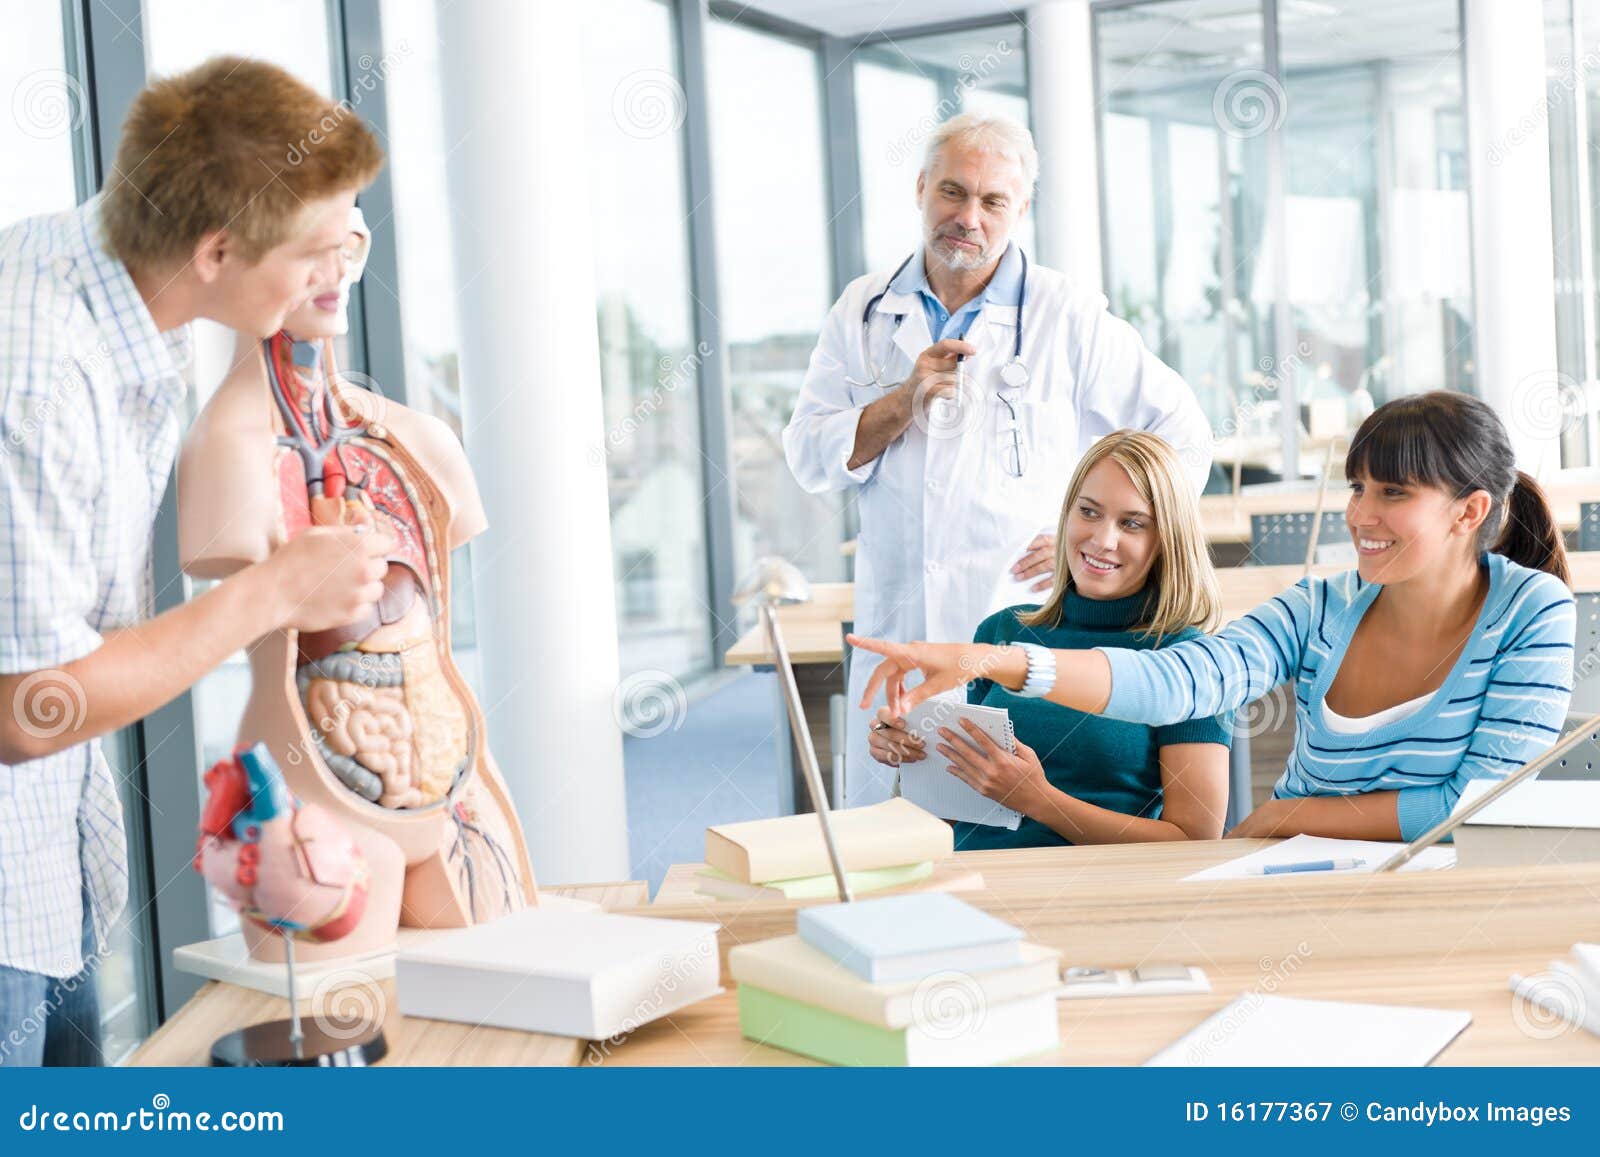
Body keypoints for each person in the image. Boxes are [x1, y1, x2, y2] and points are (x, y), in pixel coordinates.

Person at [0, 57, 392, 1067]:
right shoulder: (34, 372)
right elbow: (25, 705)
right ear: (216, 249)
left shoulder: (127, 297)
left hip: (48, 864)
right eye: (315, 251)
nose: (332, 275)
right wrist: (273, 590)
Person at [849, 392, 1576, 843]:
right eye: (1358, 487)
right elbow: (1179, 682)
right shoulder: (1318, 607)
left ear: (1469, 511)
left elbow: (1478, 805)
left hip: (1435, 883)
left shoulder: (1530, 609)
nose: (1361, 514)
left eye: (1392, 493)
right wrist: (993, 659)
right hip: (1298, 876)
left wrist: (1288, 815)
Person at [782, 111, 1212, 808]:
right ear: (921, 187)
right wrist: (901, 404)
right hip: (901, 628)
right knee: (902, 851)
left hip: (1018, 627)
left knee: (1016, 830)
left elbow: (1184, 434)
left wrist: (1094, 542)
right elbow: (807, 455)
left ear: (1021, 210)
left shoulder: (1065, 314)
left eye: (993, 201)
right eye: (953, 192)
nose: (969, 217)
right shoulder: (863, 310)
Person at [867, 431, 1232, 849]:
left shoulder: (1191, 661)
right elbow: (961, 810)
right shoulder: (1001, 633)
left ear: (1166, 539)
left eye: (1132, 523)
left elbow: (1195, 839)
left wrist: (1041, 801)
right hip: (972, 877)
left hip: (1093, 895)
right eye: (1089, 512)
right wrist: (912, 757)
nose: (1101, 539)